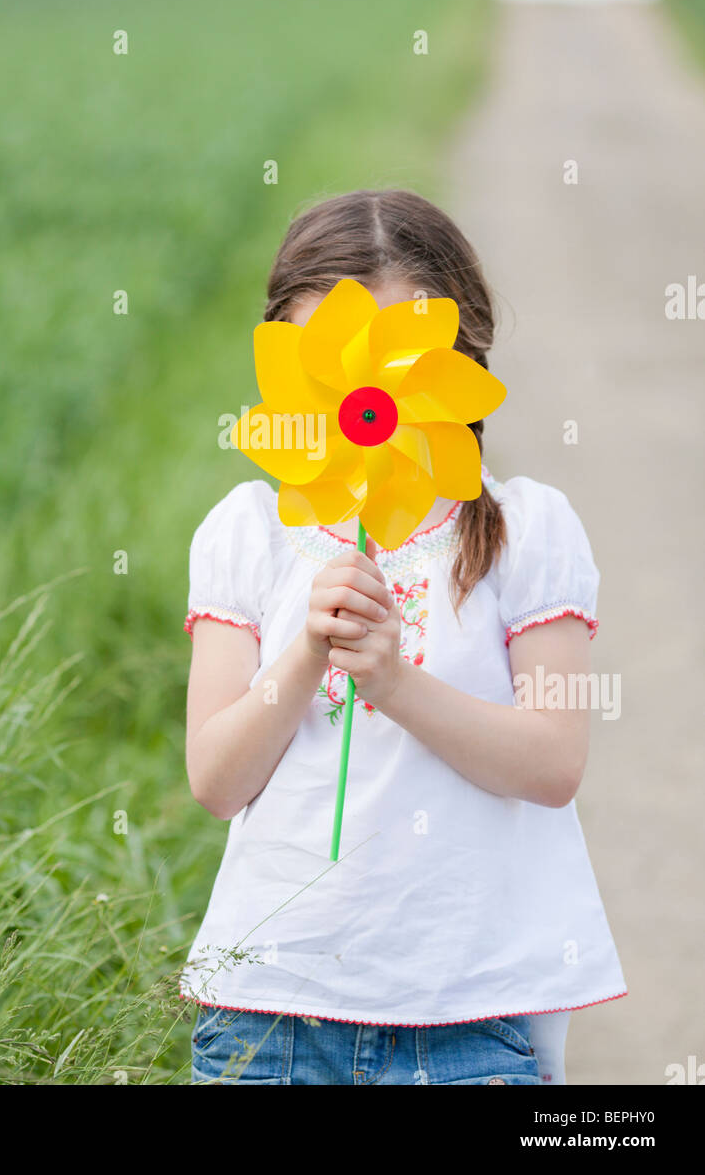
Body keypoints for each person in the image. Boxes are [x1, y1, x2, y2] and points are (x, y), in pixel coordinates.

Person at [182, 189, 625, 1085]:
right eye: (332, 365)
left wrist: (396, 682)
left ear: (456, 360)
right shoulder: (250, 530)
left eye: (399, 363)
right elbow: (216, 780)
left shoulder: (529, 530)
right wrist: (306, 650)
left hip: (464, 1017)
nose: (366, 396)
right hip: (268, 1012)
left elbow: (553, 762)